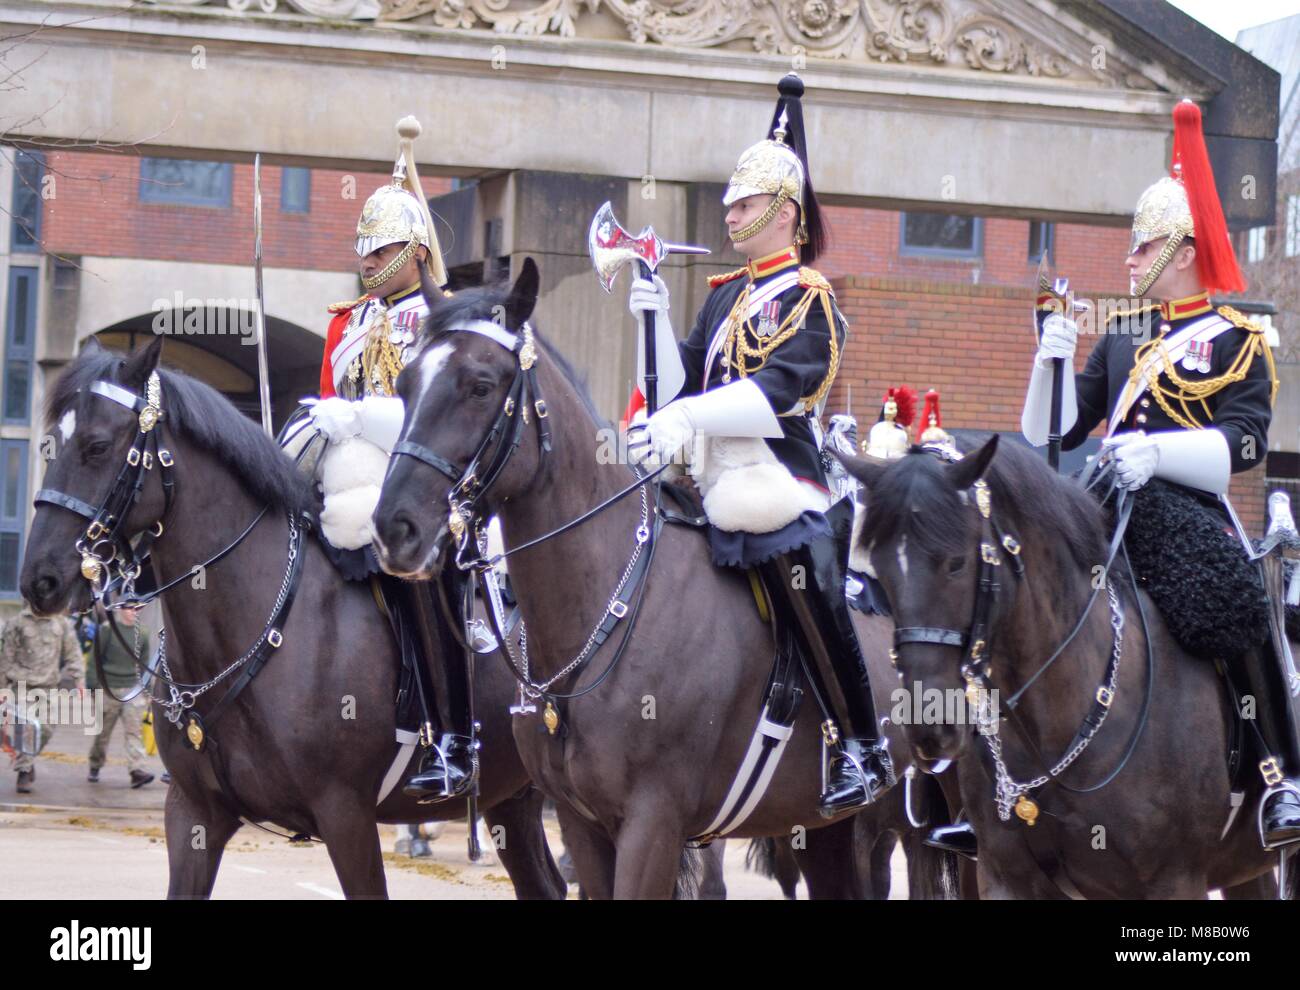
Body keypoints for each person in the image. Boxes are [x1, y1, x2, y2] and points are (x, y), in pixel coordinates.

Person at [1021, 99, 1294, 850]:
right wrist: (1050, 357)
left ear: (1180, 252)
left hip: (1190, 510)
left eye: (1142, 251)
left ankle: (1280, 772)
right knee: (1018, 588)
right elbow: (1050, 431)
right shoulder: (1122, 338)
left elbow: (1245, 446)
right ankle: (997, 781)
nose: (1130, 263)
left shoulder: (1239, 341)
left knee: (1237, 599)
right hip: (1106, 502)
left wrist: (1160, 454)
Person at [625, 74, 891, 814]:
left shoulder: (812, 298)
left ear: (786, 212)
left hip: (781, 473)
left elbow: (779, 394)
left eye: (744, 203)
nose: (730, 212)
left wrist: (686, 422)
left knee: (801, 563)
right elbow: (675, 387)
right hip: (703, 474)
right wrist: (650, 315)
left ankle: (861, 744)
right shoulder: (722, 295)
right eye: (731, 202)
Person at [282, 117, 476, 803]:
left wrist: (358, 417)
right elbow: (333, 401)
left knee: (419, 567)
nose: (367, 260)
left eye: (383, 248)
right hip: (348, 475)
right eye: (364, 248)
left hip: (426, 476)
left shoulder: (444, 317)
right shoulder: (348, 320)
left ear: (416, 250)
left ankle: (449, 733)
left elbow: (438, 416)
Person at [0, 605, 82, 793]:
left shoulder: (61, 623)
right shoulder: (17, 622)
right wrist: (2, 688)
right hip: (22, 686)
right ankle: (24, 771)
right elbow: (6, 657)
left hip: (49, 686)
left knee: (46, 729)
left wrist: (79, 679)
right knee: (27, 728)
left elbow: (73, 652)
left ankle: (27, 758)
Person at [86, 606, 154, 788]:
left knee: (134, 731)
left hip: (132, 689)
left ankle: (137, 771)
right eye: (129, 608)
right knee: (103, 733)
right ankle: (95, 764)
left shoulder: (143, 633)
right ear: (121, 610)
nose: (133, 612)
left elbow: (144, 663)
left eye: (136, 609)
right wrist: (92, 685)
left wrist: (148, 690)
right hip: (109, 688)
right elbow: (95, 659)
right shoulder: (107, 630)